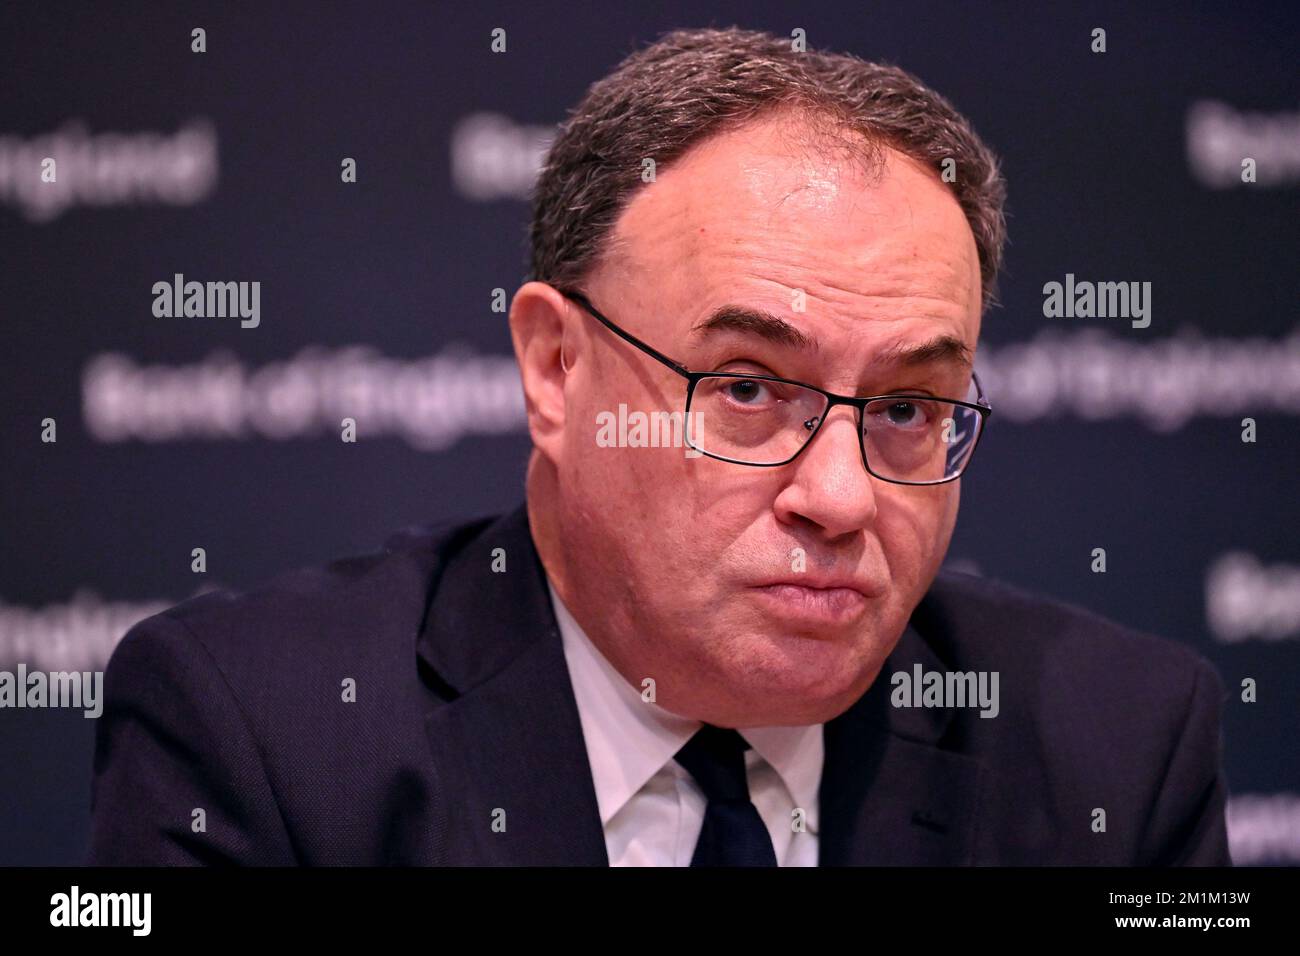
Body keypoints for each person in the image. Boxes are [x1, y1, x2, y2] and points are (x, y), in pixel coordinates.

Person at [87, 26, 1231, 866]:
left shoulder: (1113, 752)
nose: (838, 497)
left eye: (902, 409)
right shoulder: (262, 737)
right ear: (554, 366)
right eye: (744, 387)